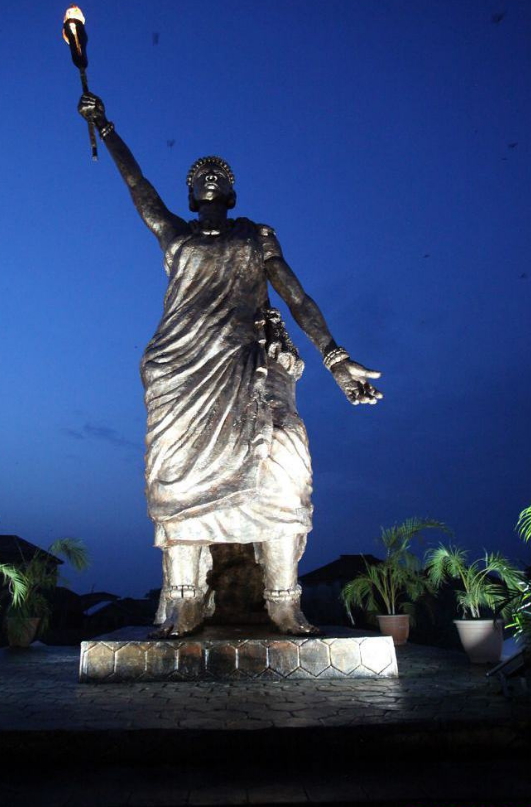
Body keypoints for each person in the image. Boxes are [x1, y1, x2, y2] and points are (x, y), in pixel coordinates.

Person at [78, 93, 383, 637]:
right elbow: (136, 185)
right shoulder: (176, 236)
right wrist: (105, 125)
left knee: (285, 469)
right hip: (182, 370)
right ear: (191, 195)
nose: (211, 179)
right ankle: (184, 599)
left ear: (232, 189)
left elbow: (298, 298)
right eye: (201, 177)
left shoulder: (256, 236)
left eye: (219, 175)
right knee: (178, 483)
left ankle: (284, 600)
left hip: (248, 366)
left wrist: (335, 359)